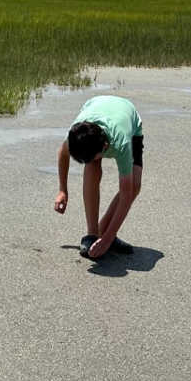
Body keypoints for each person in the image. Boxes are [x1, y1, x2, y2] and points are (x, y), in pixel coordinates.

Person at [53, 95, 143, 259]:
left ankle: (104, 234)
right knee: (92, 166)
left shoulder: (122, 143)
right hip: (96, 106)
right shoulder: (78, 134)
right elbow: (63, 153)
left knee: (135, 185)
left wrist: (108, 239)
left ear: (105, 147)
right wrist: (62, 190)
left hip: (127, 116)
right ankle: (93, 234)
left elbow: (126, 194)